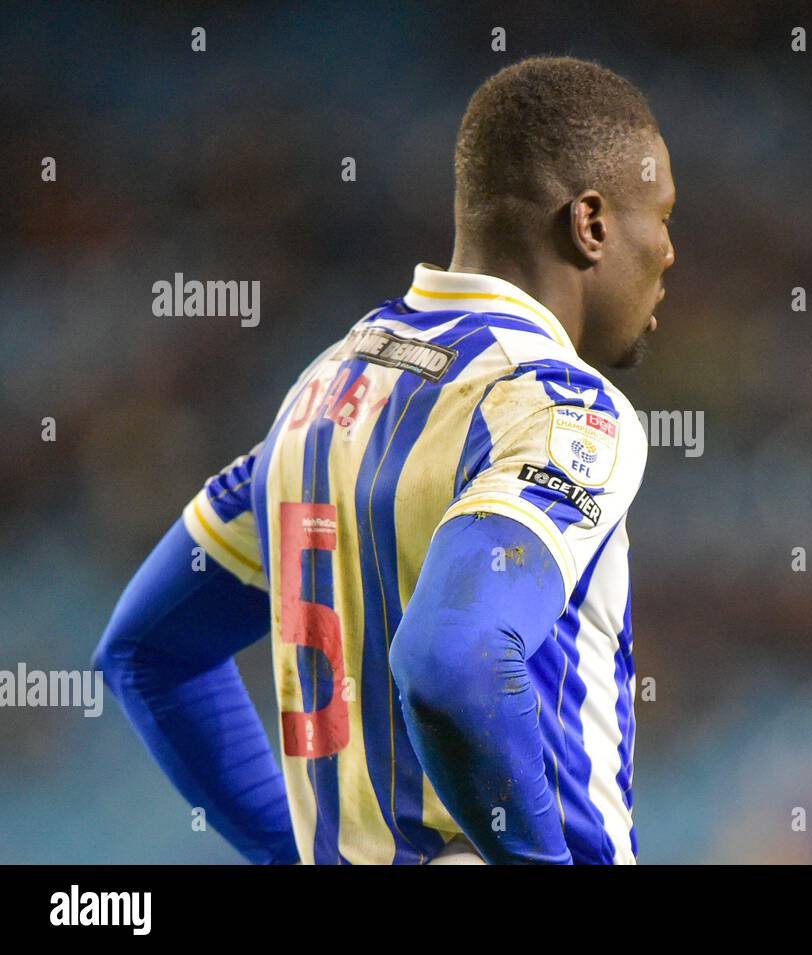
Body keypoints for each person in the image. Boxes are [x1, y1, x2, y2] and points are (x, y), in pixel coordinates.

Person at [93, 55, 676, 865]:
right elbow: (452, 660)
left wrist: (287, 851)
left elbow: (146, 652)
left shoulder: (322, 392)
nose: (670, 251)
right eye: (664, 216)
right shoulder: (554, 402)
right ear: (591, 223)